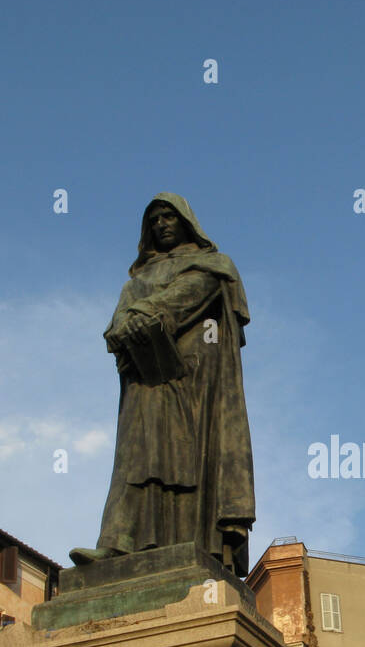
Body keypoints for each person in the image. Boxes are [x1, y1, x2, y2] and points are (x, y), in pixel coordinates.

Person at [70, 194, 255, 575]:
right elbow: (114, 327)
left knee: (191, 459)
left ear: (187, 221)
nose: (162, 224)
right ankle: (118, 543)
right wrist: (125, 329)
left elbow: (186, 297)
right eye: (154, 219)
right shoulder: (136, 280)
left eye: (169, 216)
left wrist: (145, 313)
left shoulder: (212, 266)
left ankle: (191, 546)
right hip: (145, 378)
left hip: (195, 381)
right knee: (136, 457)